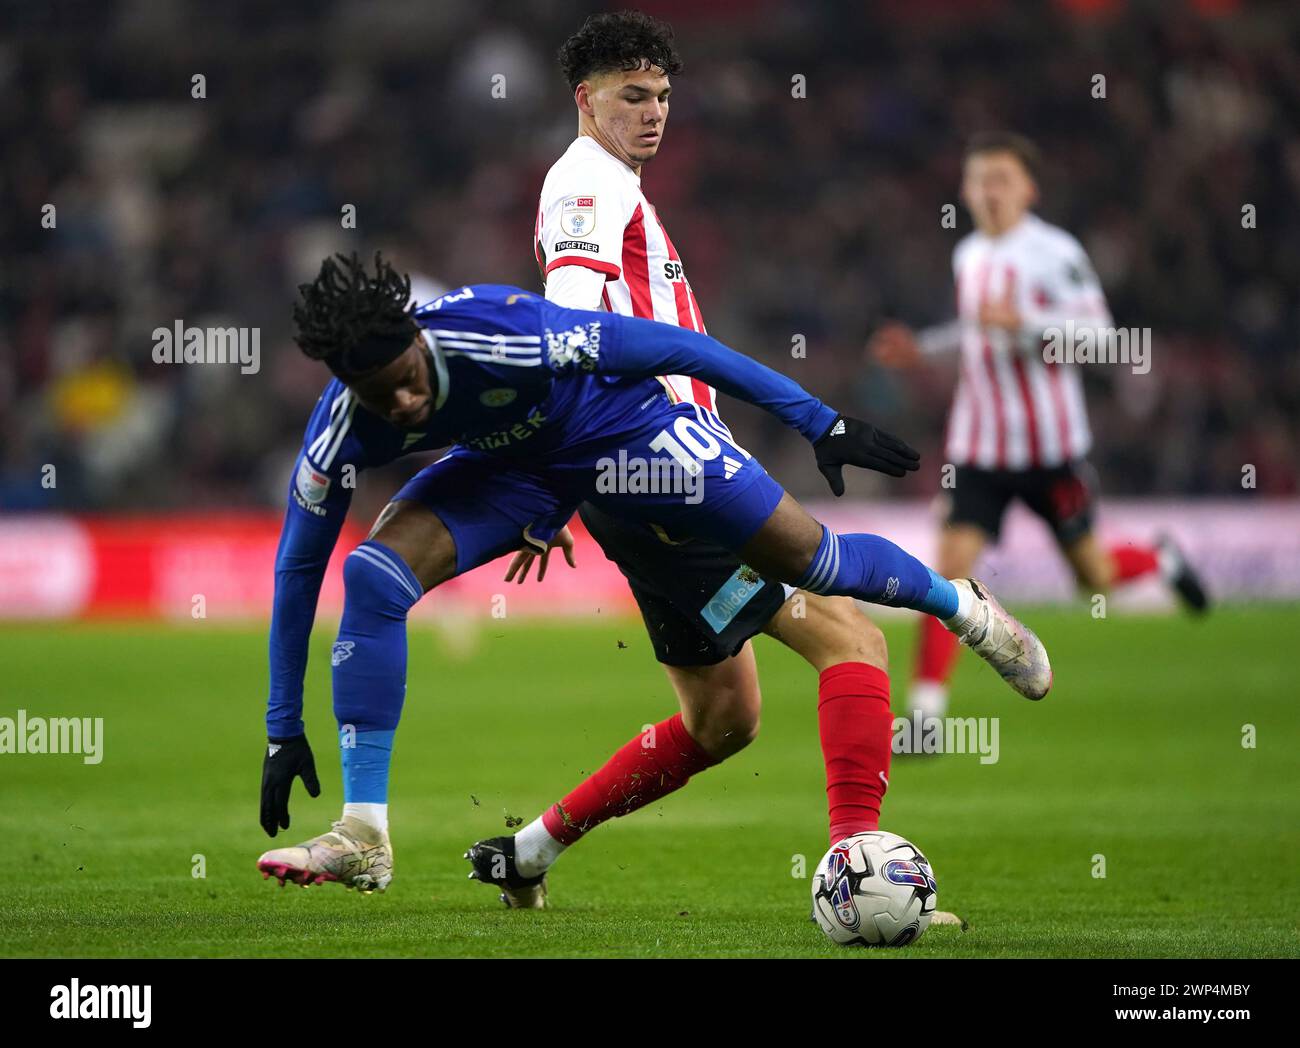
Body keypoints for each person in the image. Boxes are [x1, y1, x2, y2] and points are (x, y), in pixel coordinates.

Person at [256, 253, 1051, 893]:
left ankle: (962, 607)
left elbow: (679, 348)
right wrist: (281, 728)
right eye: (376, 391)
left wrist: (819, 419)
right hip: (520, 472)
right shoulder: (341, 428)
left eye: (409, 376)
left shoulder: (510, 334)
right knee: (371, 577)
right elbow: (298, 567)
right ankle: (364, 833)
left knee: (816, 561)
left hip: (628, 435)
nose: (401, 400)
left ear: (420, 339)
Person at [466, 9, 905, 909]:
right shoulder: (587, 183)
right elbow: (569, 331)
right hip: (669, 467)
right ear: (585, 100)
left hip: (646, 479)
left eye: (663, 95)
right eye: (634, 95)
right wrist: (560, 483)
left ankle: (529, 852)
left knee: (725, 718)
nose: (654, 112)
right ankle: (861, 875)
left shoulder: (612, 180)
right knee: (851, 636)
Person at [869, 131, 1208, 728]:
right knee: (948, 571)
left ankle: (1158, 558)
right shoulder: (968, 255)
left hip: (1052, 451)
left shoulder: (1057, 254)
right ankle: (927, 711)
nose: (989, 191)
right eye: (979, 181)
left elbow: (1106, 339)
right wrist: (921, 349)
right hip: (979, 449)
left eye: (1001, 179)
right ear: (966, 192)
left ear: (1028, 189)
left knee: (1093, 577)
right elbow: (976, 333)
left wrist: (1027, 324)